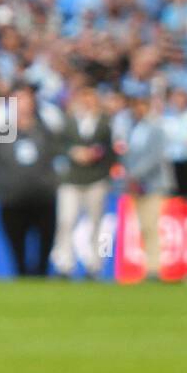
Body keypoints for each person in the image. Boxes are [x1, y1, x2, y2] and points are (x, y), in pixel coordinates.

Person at [0, 87, 57, 277]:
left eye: (25, 100)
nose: (22, 105)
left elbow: (57, 155)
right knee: (16, 244)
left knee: (45, 241)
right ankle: (21, 274)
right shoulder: (3, 132)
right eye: (17, 100)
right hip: (11, 198)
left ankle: (41, 274)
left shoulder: (44, 130)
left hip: (42, 197)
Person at [50, 85, 114, 279]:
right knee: (66, 221)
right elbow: (57, 146)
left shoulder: (104, 123)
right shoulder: (69, 121)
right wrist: (73, 152)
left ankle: (94, 265)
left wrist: (96, 153)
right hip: (72, 178)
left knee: (96, 223)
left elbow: (111, 150)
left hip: (96, 178)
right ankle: (64, 264)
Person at [123, 96, 173, 280]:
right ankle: (149, 266)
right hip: (137, 187)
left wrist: (134, 173)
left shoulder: (156, 128)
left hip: (154, 184)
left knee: (152, 226)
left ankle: (154, 268)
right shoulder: (132, 128)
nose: (139, 109)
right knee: (144, 227)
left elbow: (156, 156)